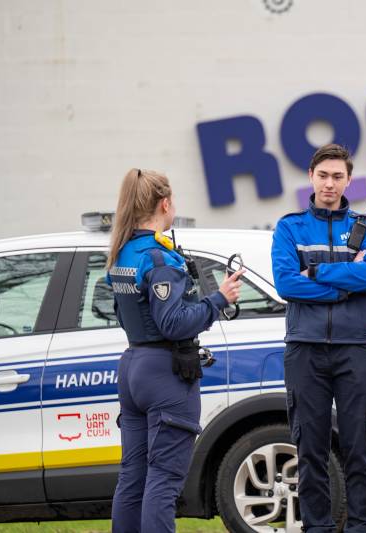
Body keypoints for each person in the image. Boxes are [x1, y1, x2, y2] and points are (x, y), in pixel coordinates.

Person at [107, 168, 243, 533]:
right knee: (163, 480)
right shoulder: (160, 260)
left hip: (133, 367)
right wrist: (218, 300)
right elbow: (173, 323)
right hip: (165, 373)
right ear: (165, 204)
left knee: (132, 478)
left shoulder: (122, 253)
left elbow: (125, 316)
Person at [271, 144, 366, 533]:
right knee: (310, 450)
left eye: (338, 177)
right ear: (311, 176)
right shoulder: (290, 227)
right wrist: (341, 285)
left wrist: (315, 273)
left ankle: (362, 527)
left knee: (359, 447)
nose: (330, 183)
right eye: (323, 175)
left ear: (349, 181)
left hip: (356, 350)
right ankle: (316, 528)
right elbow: (286, 283)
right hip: (305, 350)